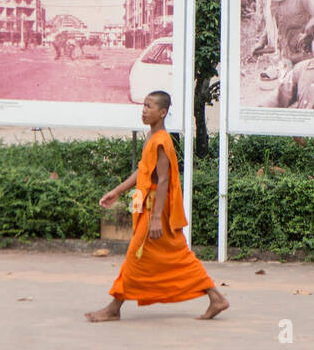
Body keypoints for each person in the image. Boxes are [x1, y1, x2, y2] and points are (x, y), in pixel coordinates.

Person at [86, 91, 230, 322]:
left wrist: (155, 219)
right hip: (148, 206)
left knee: (136, 256)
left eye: (149, 106)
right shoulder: (152, 137)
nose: (144, 110)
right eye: (143, 105)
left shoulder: (162, 140)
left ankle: (114, 308)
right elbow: (143, 170)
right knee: (177, 255)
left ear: (162, 112)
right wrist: (117, 191)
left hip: (156, 210)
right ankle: (216, 297)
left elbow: (163, 180)